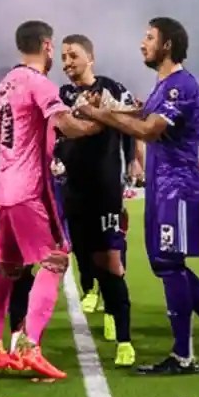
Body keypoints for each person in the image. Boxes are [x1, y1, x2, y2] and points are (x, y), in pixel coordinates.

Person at [76, 17, 199, 375]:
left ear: (167, 45)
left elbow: (149, 129)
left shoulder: (181, 85)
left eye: (149, 37)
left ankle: (184, 354)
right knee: (166, 265)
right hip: (162, 187)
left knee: (169, 265)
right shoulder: (163, 85)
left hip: (178, 187)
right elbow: (140, 112)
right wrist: (106, 107)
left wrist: (96, 113)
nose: (142, 43)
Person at [0, 20, 101, 380]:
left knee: (7, 269)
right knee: (56, 258)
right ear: (45, 45)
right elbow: (65, 125)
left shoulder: (5, 84)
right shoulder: (39, 83)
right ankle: (29, 344)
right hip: (27, 190)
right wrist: (98, 123)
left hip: (2, 190)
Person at [56, 33, 137, 366]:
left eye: (73, 55)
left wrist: (134, 160)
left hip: (105, 188)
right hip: (72, 187)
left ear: (90, 56)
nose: (67, 63)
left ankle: (124, 339)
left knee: (112, 263)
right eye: (63, 57)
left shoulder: (112, 88)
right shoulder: (59, 94)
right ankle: (95, 291)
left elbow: (133, 122)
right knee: (83, 255)